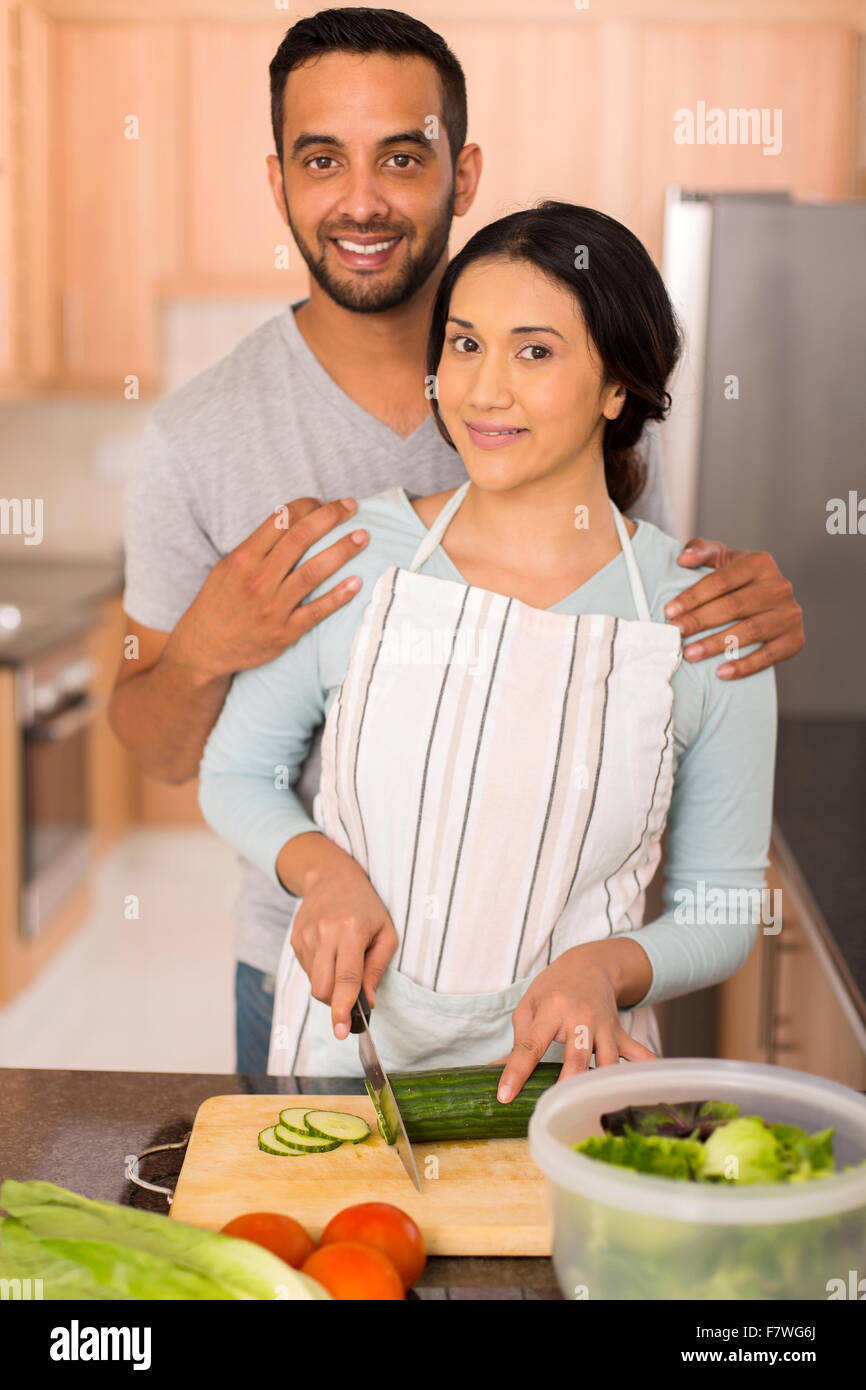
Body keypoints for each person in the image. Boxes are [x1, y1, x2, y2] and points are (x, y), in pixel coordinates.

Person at [110, 8, 802, 1074]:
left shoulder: (643, 559)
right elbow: (182, 759)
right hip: (325, 987)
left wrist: (613, 961)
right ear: (278, 180)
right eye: (320, 158)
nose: (360, 198)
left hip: (566, 1040)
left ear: (460, 171)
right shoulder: (235, 466)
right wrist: (208, 642)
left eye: (401, 154)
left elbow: (645, 674)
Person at [197, 200, 777, 1097]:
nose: (483, 389)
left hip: (568, 1081)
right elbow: (234, 773)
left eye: (535, 351)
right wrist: (327, 874)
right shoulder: (355, 558)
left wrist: (605, 968)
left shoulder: (701, 617)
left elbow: (725, 909)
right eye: (464, 344)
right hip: (350, 1062)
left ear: (618, 387)